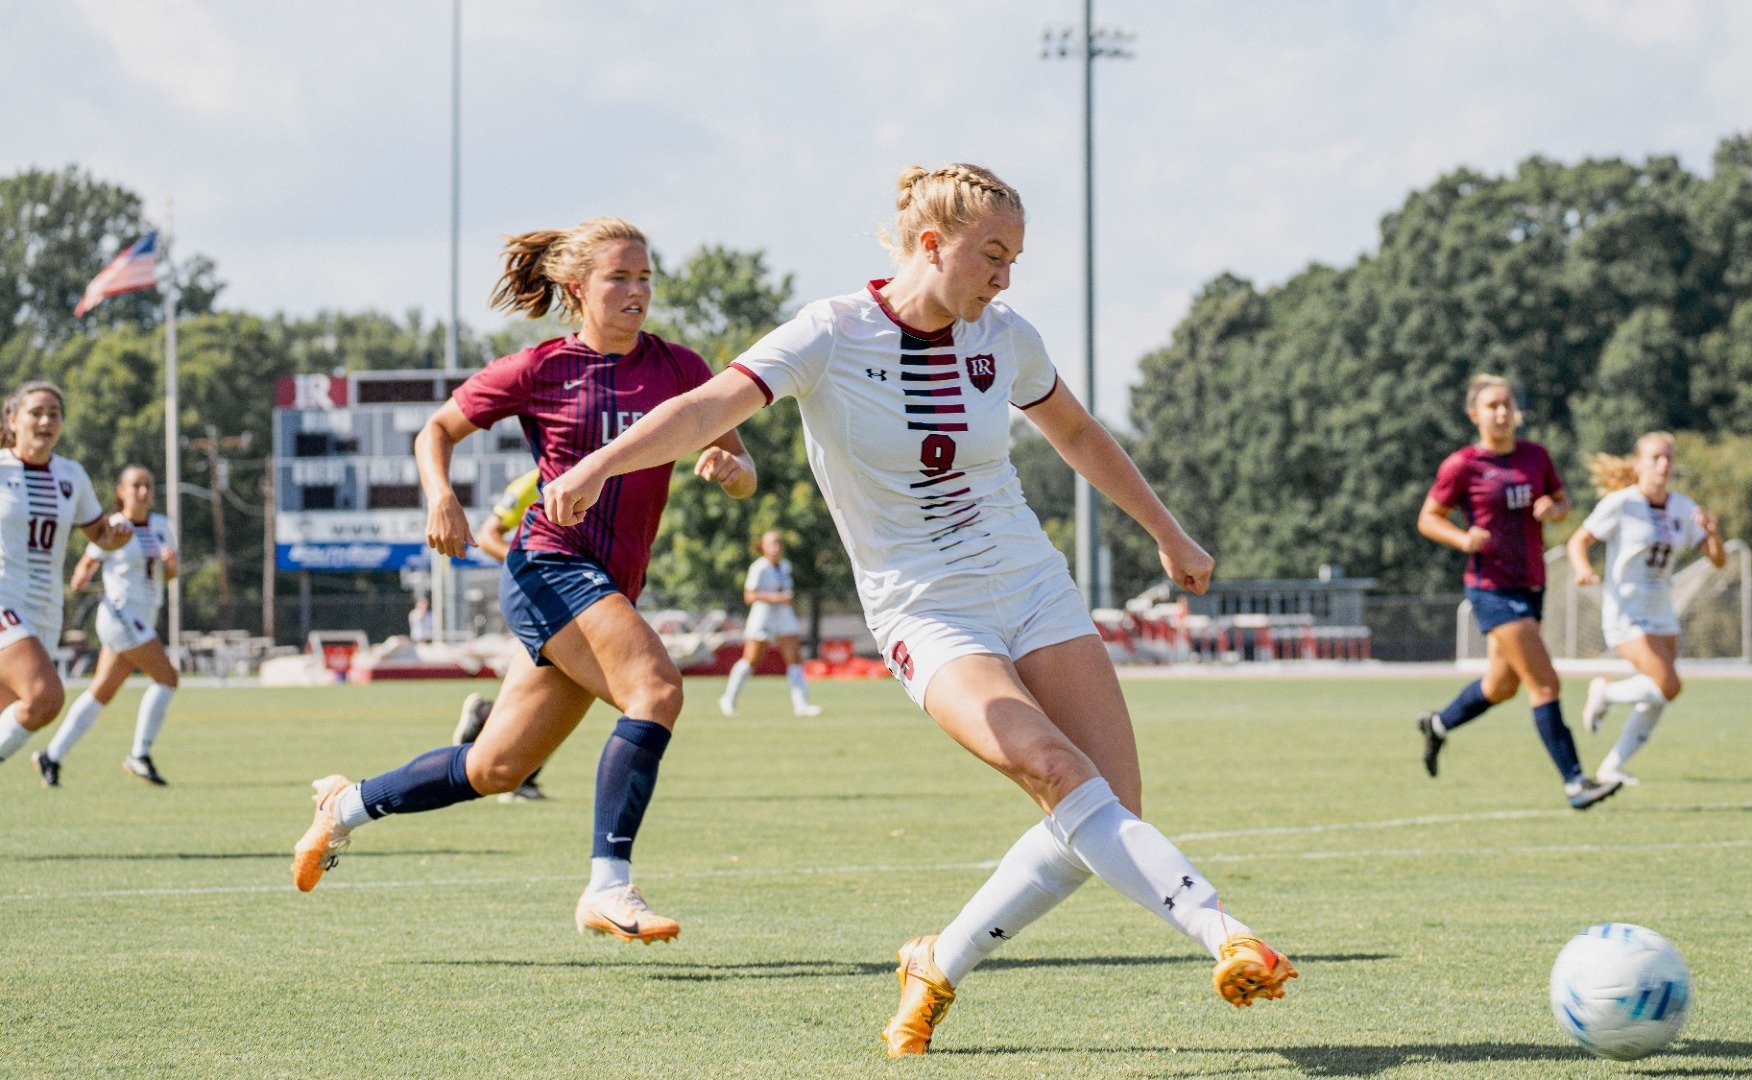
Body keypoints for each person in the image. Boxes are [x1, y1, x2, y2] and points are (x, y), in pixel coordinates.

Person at [541, 164, 1296, 1057]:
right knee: (1057, 770)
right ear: (931, 246)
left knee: (1110, 802)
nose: (1005, 278)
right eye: (993, 256)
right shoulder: (830, 331)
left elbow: (1082, 435)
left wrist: (1169, 535)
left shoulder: (1005, 335)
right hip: (925, 611)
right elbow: (708, 405)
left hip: (1032, 584)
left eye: (1014, 259)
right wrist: (597, 467)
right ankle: (1225, 933)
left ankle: (937, 962)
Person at [289, 217, 757, 948]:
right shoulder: (540, 368)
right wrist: (441, 496)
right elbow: (435, 431)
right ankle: (608, 887)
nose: (638, 292)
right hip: (549, 567)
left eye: (646, 279)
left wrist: (734, 472)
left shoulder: (681, 368)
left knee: (498, 767)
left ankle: (344, 807)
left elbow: (744, 469)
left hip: (606, 590)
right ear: (578, 289)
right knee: (656, 689)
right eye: (620, 278)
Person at [1413, 374, 1621, 810]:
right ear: (1475, 415)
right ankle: (1576, 783)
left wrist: (1555, 509)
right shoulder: (1463, 465)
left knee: (1501, 685)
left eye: (1508, 405)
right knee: (1544, 683)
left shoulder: (1535, 456)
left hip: (1532, 584)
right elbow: (1428, 518)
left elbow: (1561, 503)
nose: (1502, 413)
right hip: (1491, 588)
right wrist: (1462, 538)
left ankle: (1437, 724)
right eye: (1492, 406)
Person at [1567, 433, 1725, 785]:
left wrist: (1713, 534)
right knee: (1668, 686)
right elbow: (1578, 540)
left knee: (1657, 695)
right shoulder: (1621, 503)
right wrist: (1583, 568)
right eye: (1655, 458)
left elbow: (1717, 560)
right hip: (1626, 611)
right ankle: (1604, 692)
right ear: (1637, 464)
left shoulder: (1684, 507)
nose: (1663, 464)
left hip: (1662, 611)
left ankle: (1612, 766)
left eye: (1668, 458)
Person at [0, 382, 134, 772]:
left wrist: (117, 537)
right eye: (36, 412)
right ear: (13, 419)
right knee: (45, 698)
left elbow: (100, 536)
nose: (46, 420)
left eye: (54, 414)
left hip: (45, 609)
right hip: (4, 601)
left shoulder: (71, 475)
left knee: (17, 710)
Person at [35, 465, 179, 787]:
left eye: (148, 486)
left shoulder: (161, 526)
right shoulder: (115, 525)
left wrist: (171, 566)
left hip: (147, 615)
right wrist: (81, 576)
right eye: (136, 485)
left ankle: (51, 756)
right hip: (121, 614)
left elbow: (169, 576)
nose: (143, 492)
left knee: (101, 691)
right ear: (120, 491)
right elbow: (88, 561)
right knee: (167, 677)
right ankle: (139, 755)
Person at [452, 466, 546, 802]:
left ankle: (486, 719)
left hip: (577, 597)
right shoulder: (531, 483)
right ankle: (517, 776)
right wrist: (536, 567)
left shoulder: (603, 469)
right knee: (548, 690)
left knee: (550, 691)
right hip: (543, 596)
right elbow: (489, 535)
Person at [717, 529, 821, 717]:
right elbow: (749, 595)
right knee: (751, 659)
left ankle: (801, 705)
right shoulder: (759, 568)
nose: (776, 547)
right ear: (763, 547)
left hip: (783, 615)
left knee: (795, 659)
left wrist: (786, 600)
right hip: (762, 616)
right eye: (772, 543)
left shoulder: (785, 566)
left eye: (779, 543)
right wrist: (776, 598)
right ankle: (728, 698)